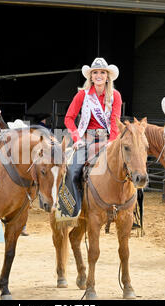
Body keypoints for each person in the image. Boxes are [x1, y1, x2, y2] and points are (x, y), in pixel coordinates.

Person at [57, 57, 122, 219]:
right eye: (95, 73)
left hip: (109, 139)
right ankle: (70, 210)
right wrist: (76, 138)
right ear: (91, 76)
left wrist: (112, 140)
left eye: (102, 72)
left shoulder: (115, 96)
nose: (98, 75)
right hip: (87, 140)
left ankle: (129, 212)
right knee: (72, 171)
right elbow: (69, 118)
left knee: (132, 165)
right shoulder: (82, 95)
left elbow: (115, 121)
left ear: (107, 76)